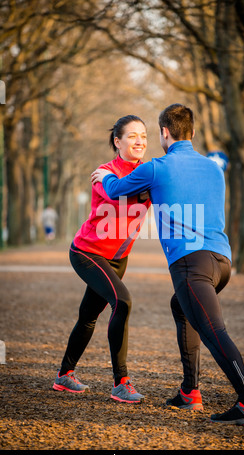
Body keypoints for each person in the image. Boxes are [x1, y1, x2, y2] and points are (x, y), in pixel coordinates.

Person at [91, 103, 244, 426]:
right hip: (221, 262)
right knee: (182, 308)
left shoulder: (157, 167)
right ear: (194, 133)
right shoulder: (214, 168)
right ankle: (189, 392)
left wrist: (104, 175)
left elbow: (114, 191)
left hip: (191, 266)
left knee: (214, 332)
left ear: (164, 133)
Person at [53, 115, 151, 403]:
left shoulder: (148, 171)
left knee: (88, 317)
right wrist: (142, 189)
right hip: (88, 252)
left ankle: (64, 375)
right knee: (123, 302)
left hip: (119, 258)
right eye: (132, 136)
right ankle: (121, 382)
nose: (140, 141)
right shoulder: (104, 173)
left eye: (144, 135)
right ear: (117, 142)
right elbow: (114, 192)